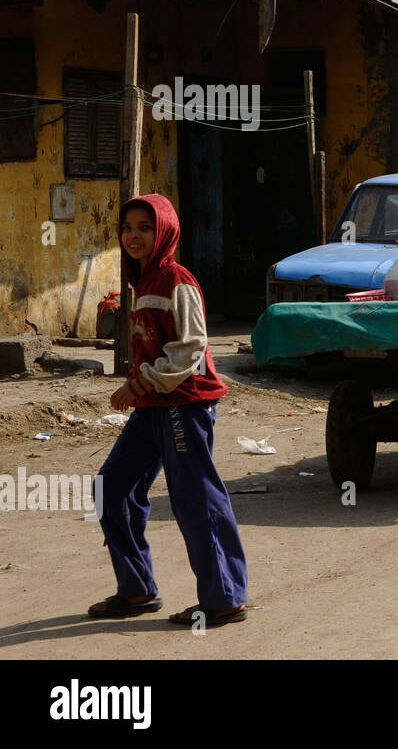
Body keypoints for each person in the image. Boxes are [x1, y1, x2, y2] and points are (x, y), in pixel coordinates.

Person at [89, 194, 248, 626]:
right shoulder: (141, 280)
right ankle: (137, 590)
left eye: (145, 227)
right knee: (111, 489)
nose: (134, 235)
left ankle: (224, 598)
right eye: (127, 227)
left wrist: (138, 383)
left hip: (185, 404)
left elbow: (191, 349)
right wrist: (141, 387)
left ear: (164, 232)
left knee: (195, 498)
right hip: (154, 404)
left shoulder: (177, 279)